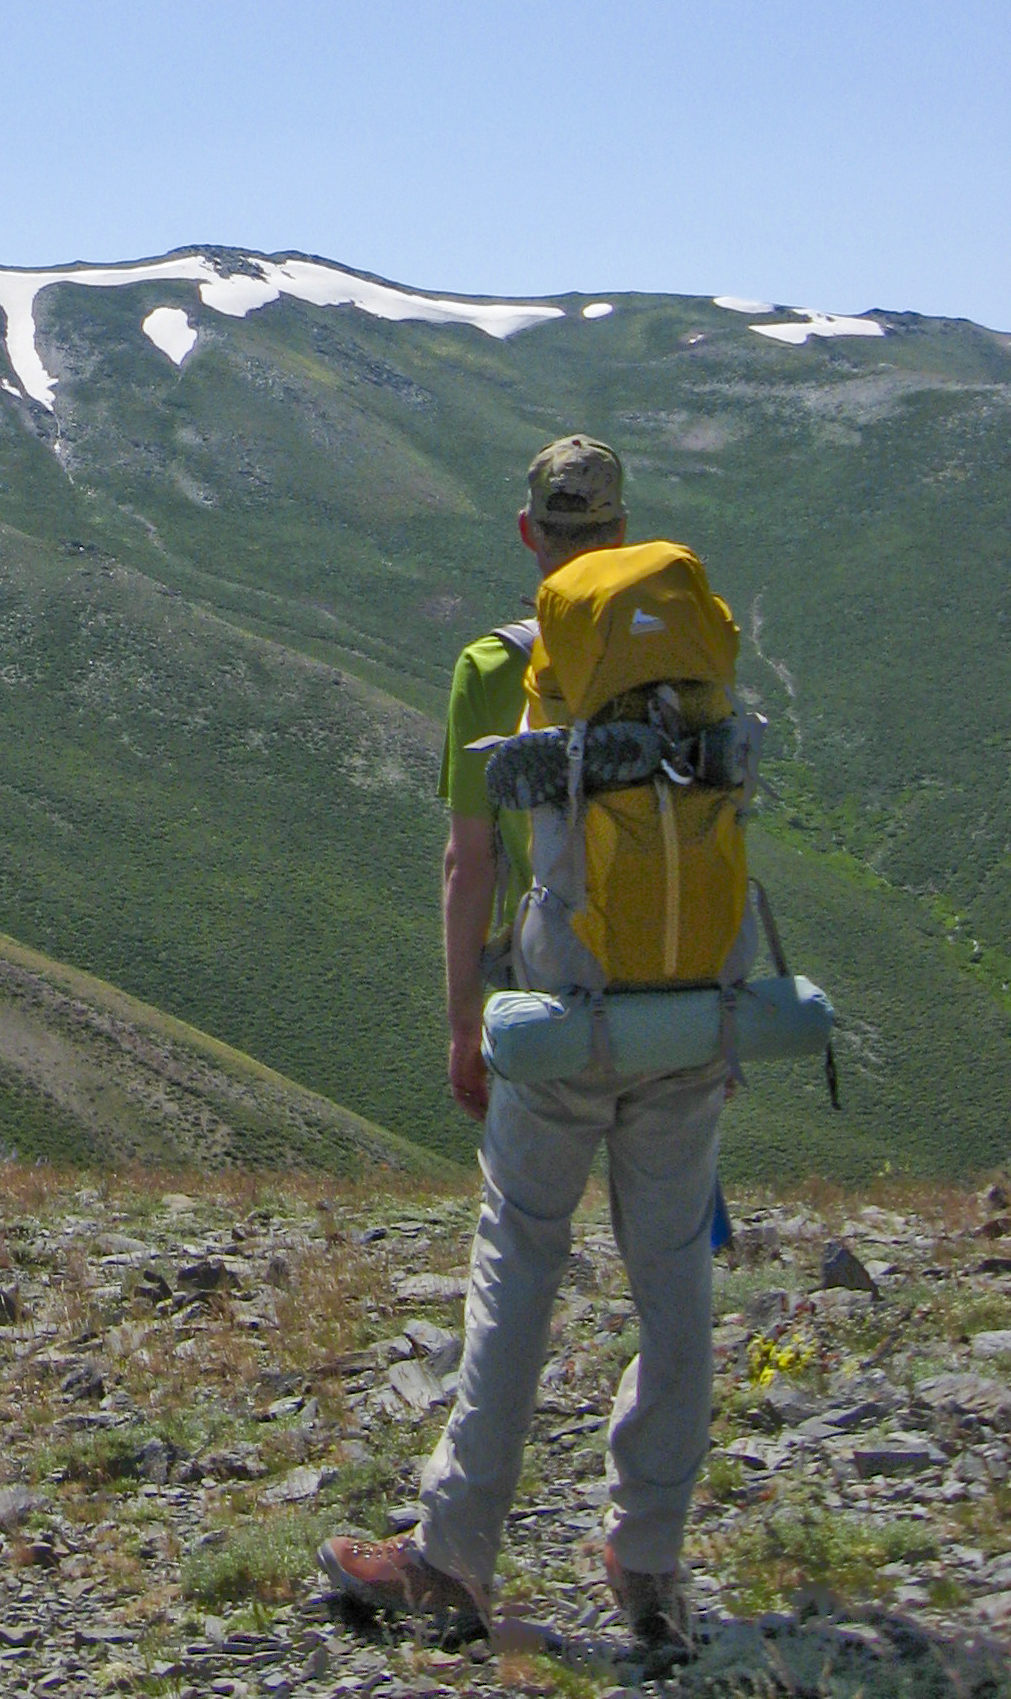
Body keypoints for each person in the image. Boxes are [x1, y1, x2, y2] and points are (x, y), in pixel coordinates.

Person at [317, 436, 725, 1658]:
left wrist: (462, 1022)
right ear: (625, 530)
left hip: (561, 1015)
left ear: (529, 533)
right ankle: (648, 1564)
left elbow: (469, 860)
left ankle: (452, 1558)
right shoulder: (686, 645)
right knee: (675, 1282)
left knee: (519, 1269)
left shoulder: (499, 664)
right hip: (691, 1002)